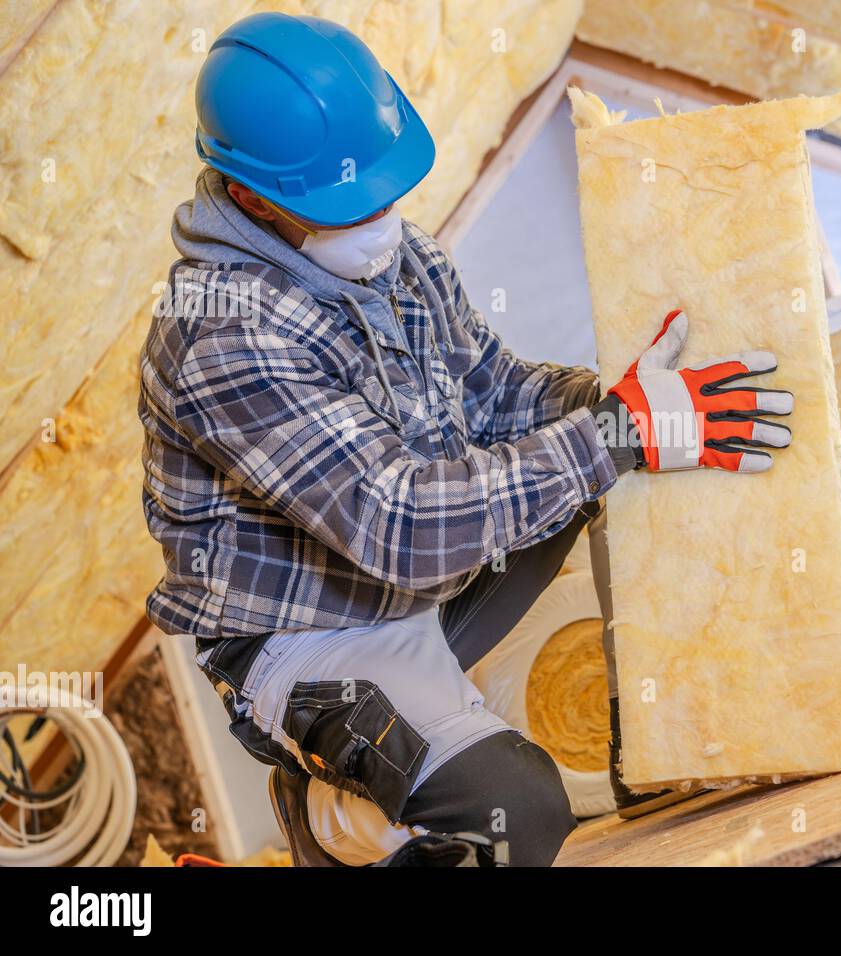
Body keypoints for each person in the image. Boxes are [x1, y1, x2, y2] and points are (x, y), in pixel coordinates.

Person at [138, 11, 793, 866]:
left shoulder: (395, 257)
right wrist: (619, 431)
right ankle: (329, 820)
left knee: (619, 463)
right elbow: (401, 528)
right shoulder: (221, 334)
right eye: (352, 202)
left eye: (387, 191)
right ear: (252, 194)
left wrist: (624, 402)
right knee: (516, 815)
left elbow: (496, 394)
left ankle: (659, 750)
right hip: (311, 634)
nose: (384, 216)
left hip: (424, 578)